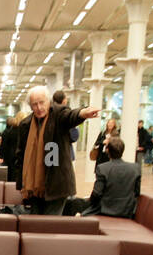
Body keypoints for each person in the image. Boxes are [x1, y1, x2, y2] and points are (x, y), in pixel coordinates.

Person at [12, 85, 100, 215]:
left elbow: (70, 116)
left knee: (49, 224)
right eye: (34, 104)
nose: (39, 108)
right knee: (34, 224)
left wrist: (82, 113)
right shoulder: (26, 124)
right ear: (30, 106)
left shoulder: (58, 114)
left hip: (57, 184)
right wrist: (21, 182)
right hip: (33, 188)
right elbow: (20, 155)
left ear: (48, 101)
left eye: (42, 102)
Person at [82, 135, 140, 219]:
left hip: (105, 210)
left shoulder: (102, 168)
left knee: (78, 208)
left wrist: (88, 203)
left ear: (107, 150)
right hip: (127, 211)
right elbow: (137, 192)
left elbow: (96, 194)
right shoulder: (135, 168)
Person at [4, 111, 30, 188]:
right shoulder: (26, 131)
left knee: (12, 176)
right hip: (22, 156)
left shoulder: (11, 130)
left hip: (11, 156)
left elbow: (5, 145)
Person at [52, 91, 79, 159]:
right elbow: (74, 137)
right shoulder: (67, 115)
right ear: (64, 101)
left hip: (51, 152)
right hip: (64, 152)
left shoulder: (48, 114)